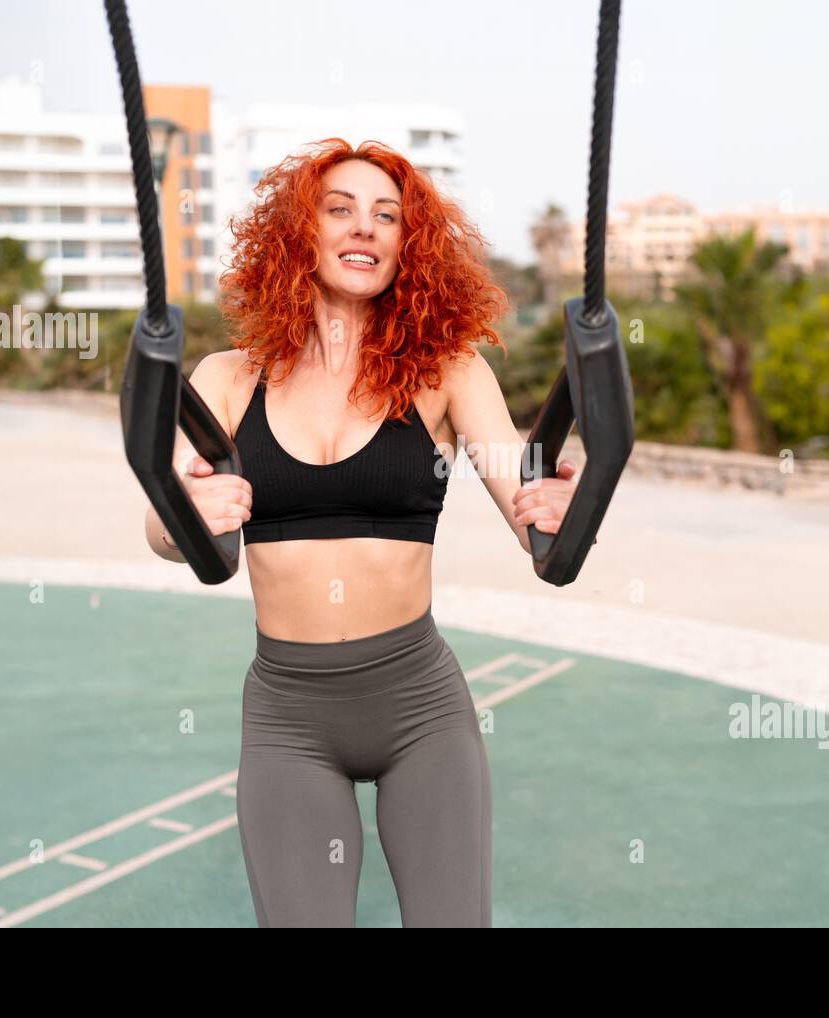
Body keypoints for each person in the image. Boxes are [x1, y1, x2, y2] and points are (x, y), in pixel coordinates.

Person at [142, 138, 580, 927]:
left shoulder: (448, 373)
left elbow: (529, 498)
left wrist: (554, 509)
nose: (365, 228)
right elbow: (161, 522)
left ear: (407, 246)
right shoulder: (227, 378)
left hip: (421, 708)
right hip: (287, 717)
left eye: (387, 216)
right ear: (299, 236)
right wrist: (184, 518)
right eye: (340, 210)